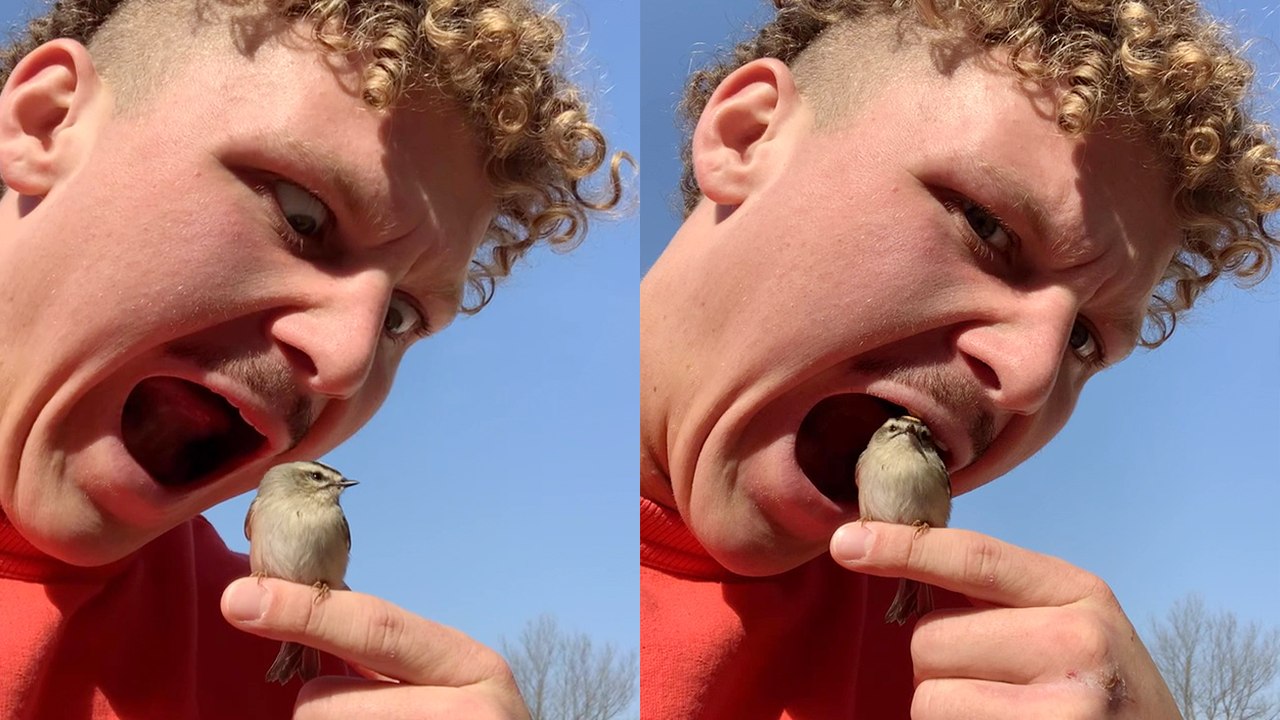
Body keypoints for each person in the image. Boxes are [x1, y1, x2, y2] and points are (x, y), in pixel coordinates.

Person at [640, 0, 1279, 717]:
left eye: (1083, 340)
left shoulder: (992, 682)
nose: (1032, 376)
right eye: (986, 224)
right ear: (747, 137)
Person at [0, 0, 625, 715]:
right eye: (302, 215)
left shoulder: (313, 680)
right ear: (47, 123)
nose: (347, 360)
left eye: (398, 317)